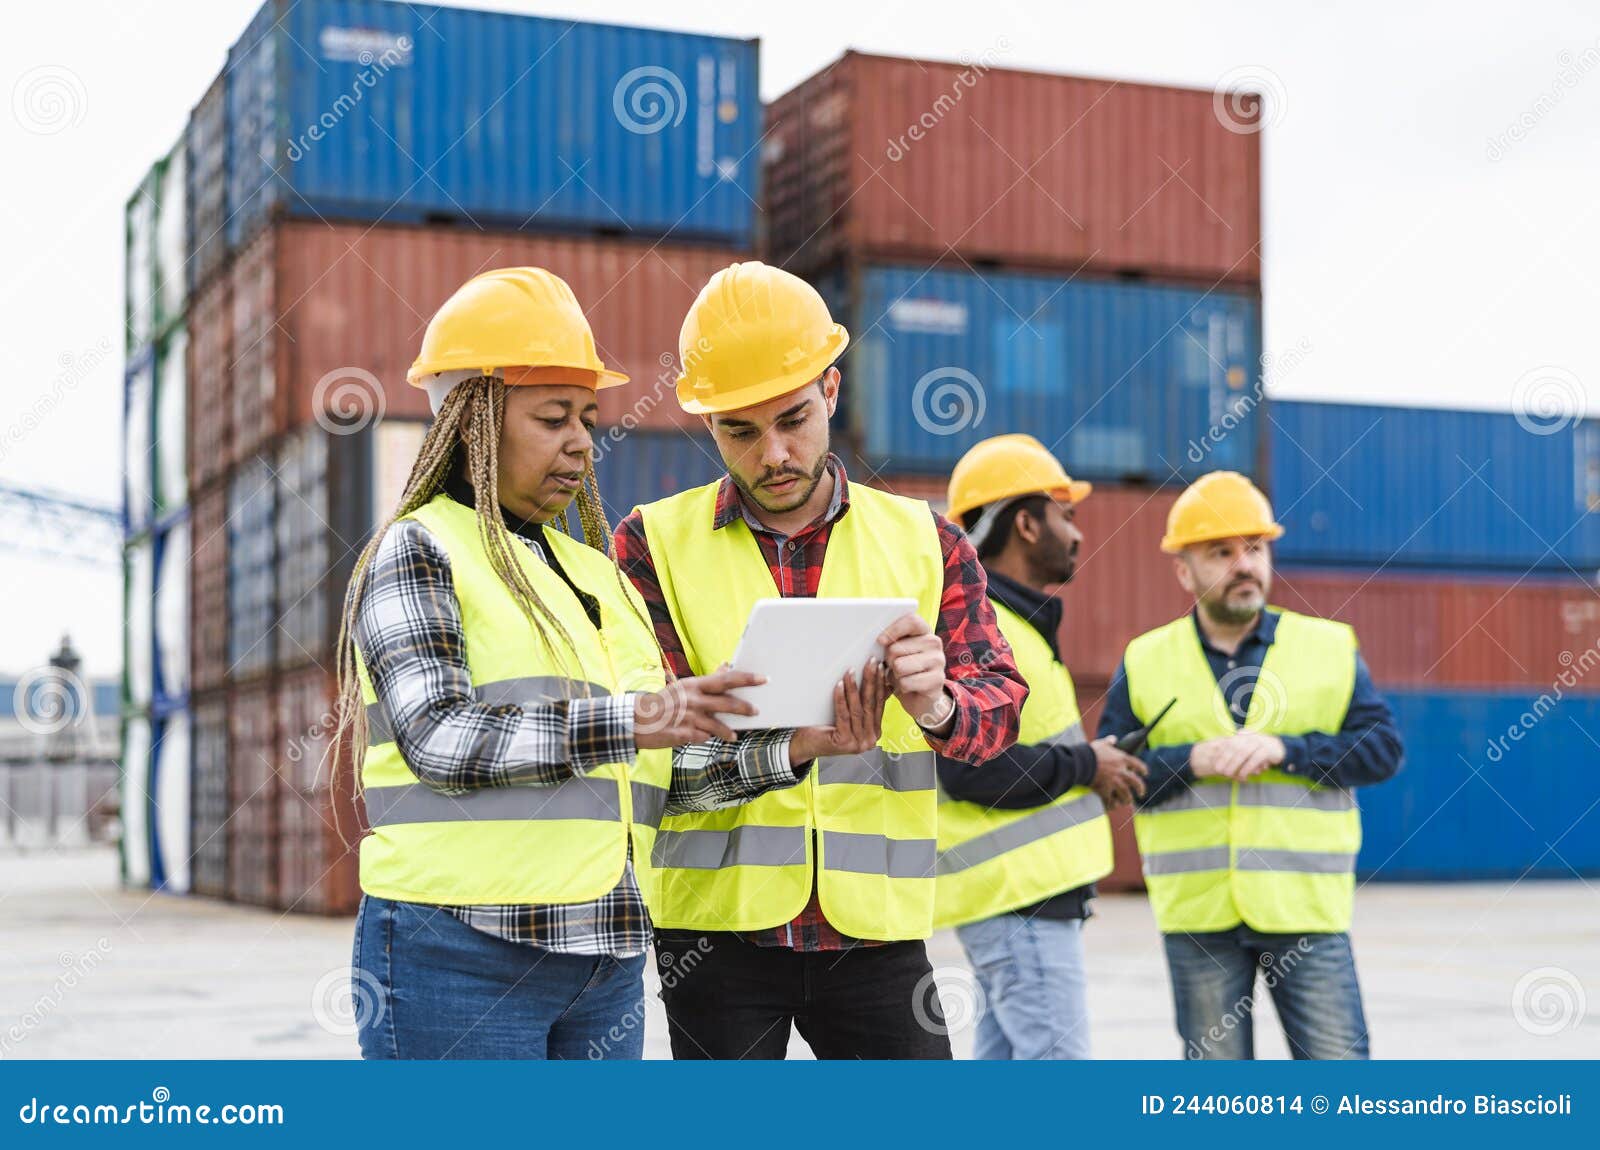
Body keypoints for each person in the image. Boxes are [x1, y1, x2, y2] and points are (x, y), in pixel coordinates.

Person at [330, 267, 886, 1060]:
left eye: (587, 418)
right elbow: (439, 739)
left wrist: (795, 749)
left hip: (605, 958)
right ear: (472, 423)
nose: (583, 443)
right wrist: (636, 718)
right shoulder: (421, 549)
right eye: (554, 418)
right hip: (460, 950)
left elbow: (648, 778)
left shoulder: (595, 574)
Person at [613, 261, 1028, 1060]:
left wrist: (939, 704)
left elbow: (999, 713)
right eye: (741, 430)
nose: (774, 452)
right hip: (715, 938)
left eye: (793, 418)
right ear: (708, 425)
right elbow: (651, 755)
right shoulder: (649, 545)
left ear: (830, 391)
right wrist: (795, 747)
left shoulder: (926, 539)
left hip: (875, 934)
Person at [1097, 470, 1404, 1060]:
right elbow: (1112, 775)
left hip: (1305, 913)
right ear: (1184, 571)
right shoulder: (1145, 659)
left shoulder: (1330, 647)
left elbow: (1383, 749)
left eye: (1255, 549)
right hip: (1199, 914)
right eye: (1222, 552)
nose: (1245, 565)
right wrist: (1193, 760)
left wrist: (1287, 749)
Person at [933, 434, 1148, 1059]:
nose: (1079, 535)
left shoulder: (1013, 623)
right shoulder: (984, 628)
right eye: (1067, 515)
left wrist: (1086, 763)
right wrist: (1088, 763)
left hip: (1019, 899)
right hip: (1017, 900)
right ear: (1026, 523)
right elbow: (970, 770)